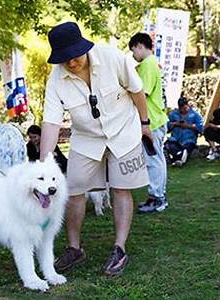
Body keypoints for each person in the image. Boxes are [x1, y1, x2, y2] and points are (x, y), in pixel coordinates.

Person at [39, 22, 151, 276]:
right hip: (86, 138)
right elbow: (51, 121)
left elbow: (137, 91)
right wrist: (45, 162)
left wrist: (145, 124)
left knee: (121, 189)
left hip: (124, 132)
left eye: (74, 56)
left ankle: (119, 248)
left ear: (84, 47)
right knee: (74, 189)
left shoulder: (111, 57)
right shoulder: (56, 78)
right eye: (63, 59)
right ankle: (73, 247)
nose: (70, 63)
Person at [128, 32, 169, 213]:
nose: (133, 56)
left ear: (139, 46)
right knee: (155, 159)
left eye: (133, 51)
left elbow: (141, 94)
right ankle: (157, 196)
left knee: (154, 160)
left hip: (151, 122)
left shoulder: (148, 64)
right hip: (154, 120)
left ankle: (157, 198)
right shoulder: (151, 64)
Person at [165, 97, 203, 166]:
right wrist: (175, 123)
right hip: (175, 139)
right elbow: (166, 128)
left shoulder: (195, 114)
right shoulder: (173, 114)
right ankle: (179, 158)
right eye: (181, 108)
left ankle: (179, 158)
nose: (183, 110)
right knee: (169, 145)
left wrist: (187, 125)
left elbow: (200, 128)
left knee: (186, 148)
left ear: (187, 105)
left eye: (184, 108)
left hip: (189, 139)